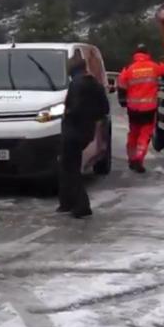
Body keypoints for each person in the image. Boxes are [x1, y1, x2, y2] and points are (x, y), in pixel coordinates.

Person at [58, 56, 110, 218]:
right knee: (69, 165)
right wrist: (92, 118)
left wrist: (68, 114)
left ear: (72, 69)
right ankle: (66, 203)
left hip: (73, 131)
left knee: (70, 168)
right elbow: (105, 108)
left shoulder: (76, 84)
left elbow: (74, 108)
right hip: (87, 131)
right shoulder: (96, 84)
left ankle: (81, 205)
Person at [116, 44, 164, 173]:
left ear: (135, 54)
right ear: (147, 53)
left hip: (133, 108)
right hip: (148, 108)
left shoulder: (129, 68)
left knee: (133, 133)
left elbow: (121, 84)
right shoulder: (153, 66)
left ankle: (132, 158)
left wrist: (123, 101)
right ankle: (139, 158)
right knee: (145, 134)